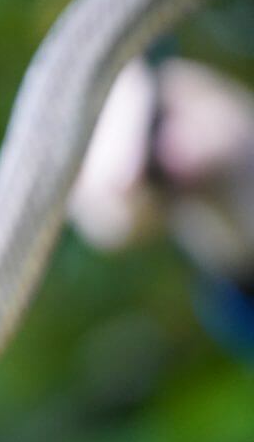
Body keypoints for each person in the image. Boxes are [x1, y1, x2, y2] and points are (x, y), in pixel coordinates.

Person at [70, 56, 254, 358]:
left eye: (157, 121)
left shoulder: (182, 82)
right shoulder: (233, 307)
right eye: (156, 173)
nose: (170, 154)